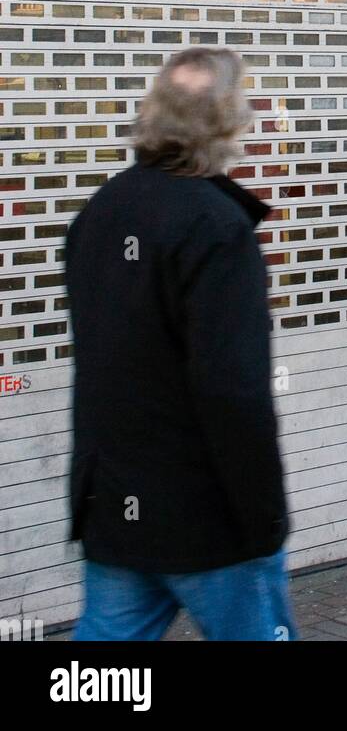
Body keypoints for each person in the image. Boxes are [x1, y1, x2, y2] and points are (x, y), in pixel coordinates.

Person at [65, 45, 297, 641]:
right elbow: (232, 390)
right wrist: (262, 517)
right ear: (229, 121)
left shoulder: (102, 211)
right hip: (205, 516)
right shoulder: (217, 229)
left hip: (118, 503)